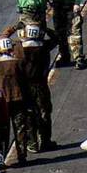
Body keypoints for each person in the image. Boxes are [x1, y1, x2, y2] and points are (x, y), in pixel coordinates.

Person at [13, 21, 59, 152]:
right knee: (45, 112)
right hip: (41, 85)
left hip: (25, 86)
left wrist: (15, 28)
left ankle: (32, 142)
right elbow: (56, 38)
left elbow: (3, 41)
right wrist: (45, 29)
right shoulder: (44, 46)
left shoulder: (19, 49)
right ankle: (45, 141)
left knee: (29, 114)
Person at [0, 36, 31, 165]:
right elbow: (26, 82)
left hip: (2, 103)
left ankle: (0, 159)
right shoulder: (19, 63)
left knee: (2, 133)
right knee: (20, 130)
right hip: (19, 100)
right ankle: (22, 156)